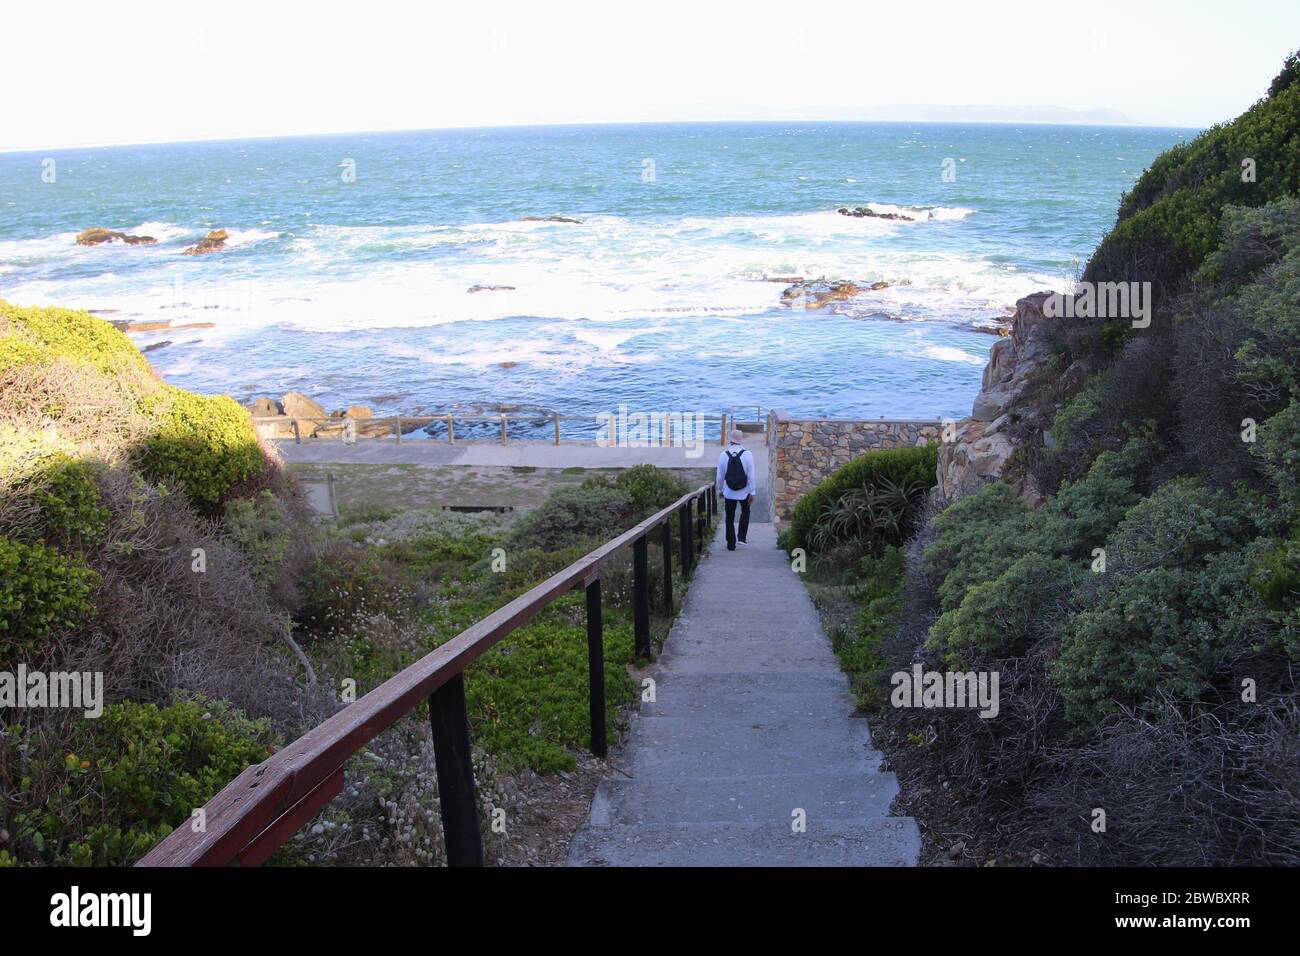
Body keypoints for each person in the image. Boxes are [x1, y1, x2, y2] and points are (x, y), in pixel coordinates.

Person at [716, 427, 756, 551]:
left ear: (730, 440)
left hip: (729, 492)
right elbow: (751, 475)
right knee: (745, 512)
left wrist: (720, 490)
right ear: (741, 440)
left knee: (729, 517)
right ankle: (742, 538)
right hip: (744, 492)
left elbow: (720, 476)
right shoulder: (747, 454)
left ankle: (731, 544)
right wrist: (752, 492)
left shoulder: (724, 455)